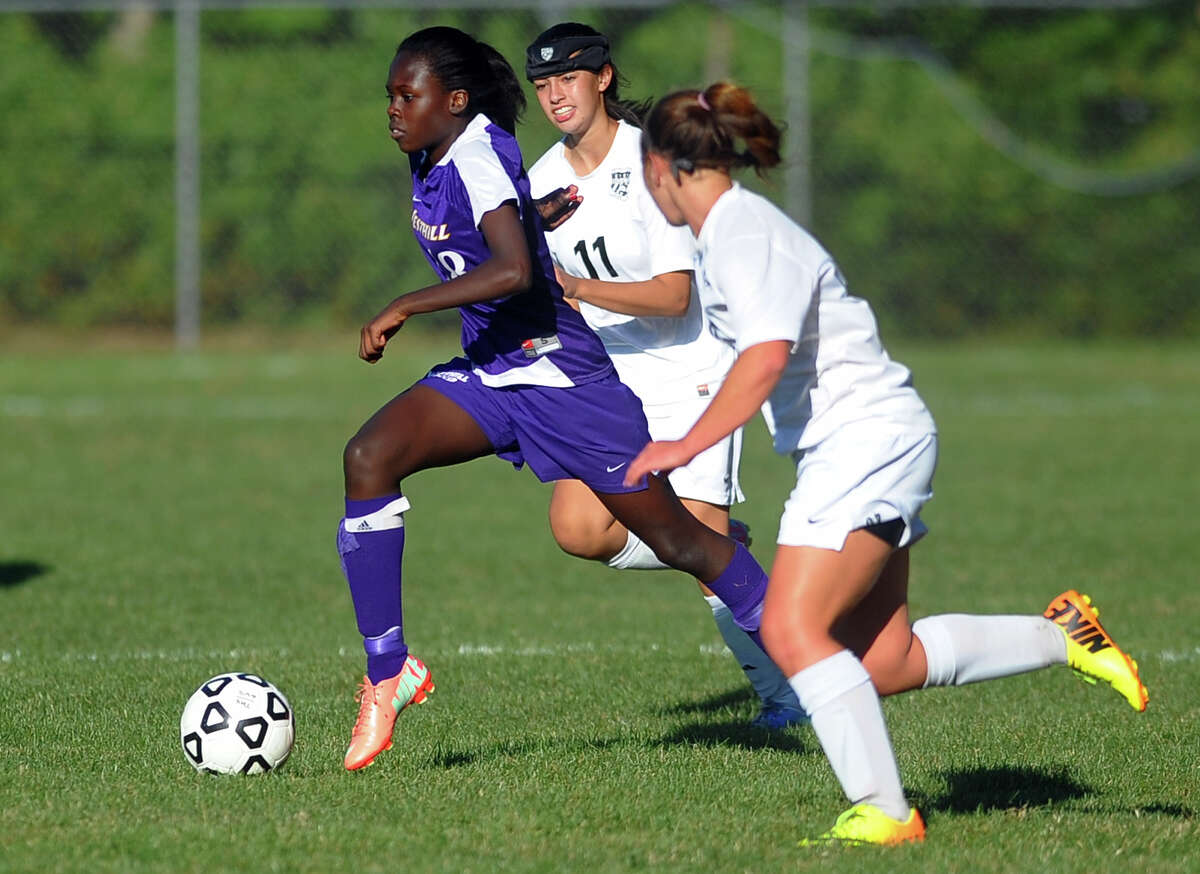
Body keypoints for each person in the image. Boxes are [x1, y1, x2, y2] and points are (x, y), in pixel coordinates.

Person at [627, 82, 1149, 846]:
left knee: (791, 627)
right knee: (883, 660)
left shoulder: (740, 232)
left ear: (662, 166)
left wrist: (682, 445)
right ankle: (1062, 634)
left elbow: (766, 357)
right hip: (868, 439)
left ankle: (886, 810)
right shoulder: (727, 234)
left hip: (863, 440)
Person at [337, 27, 774, 772]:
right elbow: (511, 241)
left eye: (407, 95)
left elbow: (511, 273)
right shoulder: (446, 154)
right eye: (391, 95)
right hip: (497, 373)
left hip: (569, 384)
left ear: (456, 101)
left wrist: (405, 304)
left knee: (687, 544)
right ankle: (389, 673)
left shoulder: (475, 155)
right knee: (369, 457)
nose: (394, 108)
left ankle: (810, 656)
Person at [522, 22, 803, 730]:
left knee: (699, 547)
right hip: (606, 381)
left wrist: (574, 288)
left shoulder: (651, 163)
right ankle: (715, 541)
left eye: (569, 78)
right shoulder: (542, 179)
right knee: (578, 528)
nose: (556, 94)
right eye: (543, 84)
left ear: (603, 78)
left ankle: (787, 698)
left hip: (689, 369)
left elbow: (675, 295)